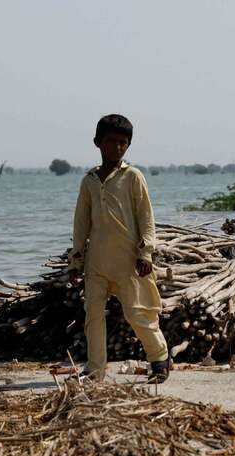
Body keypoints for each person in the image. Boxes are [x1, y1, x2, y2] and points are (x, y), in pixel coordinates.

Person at [68, 114, 170, 383]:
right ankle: (95, 371)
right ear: (97, 142)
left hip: (129, 261)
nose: (117, 147)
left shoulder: (133, 177)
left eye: (123, 143)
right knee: (93, 317)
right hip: (97, 262)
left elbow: (146, 218)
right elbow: (81, 223)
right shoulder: (89, 181)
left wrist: (146, 252)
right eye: (111, 141)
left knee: (138, 313)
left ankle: (159, 360)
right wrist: (76, 260)